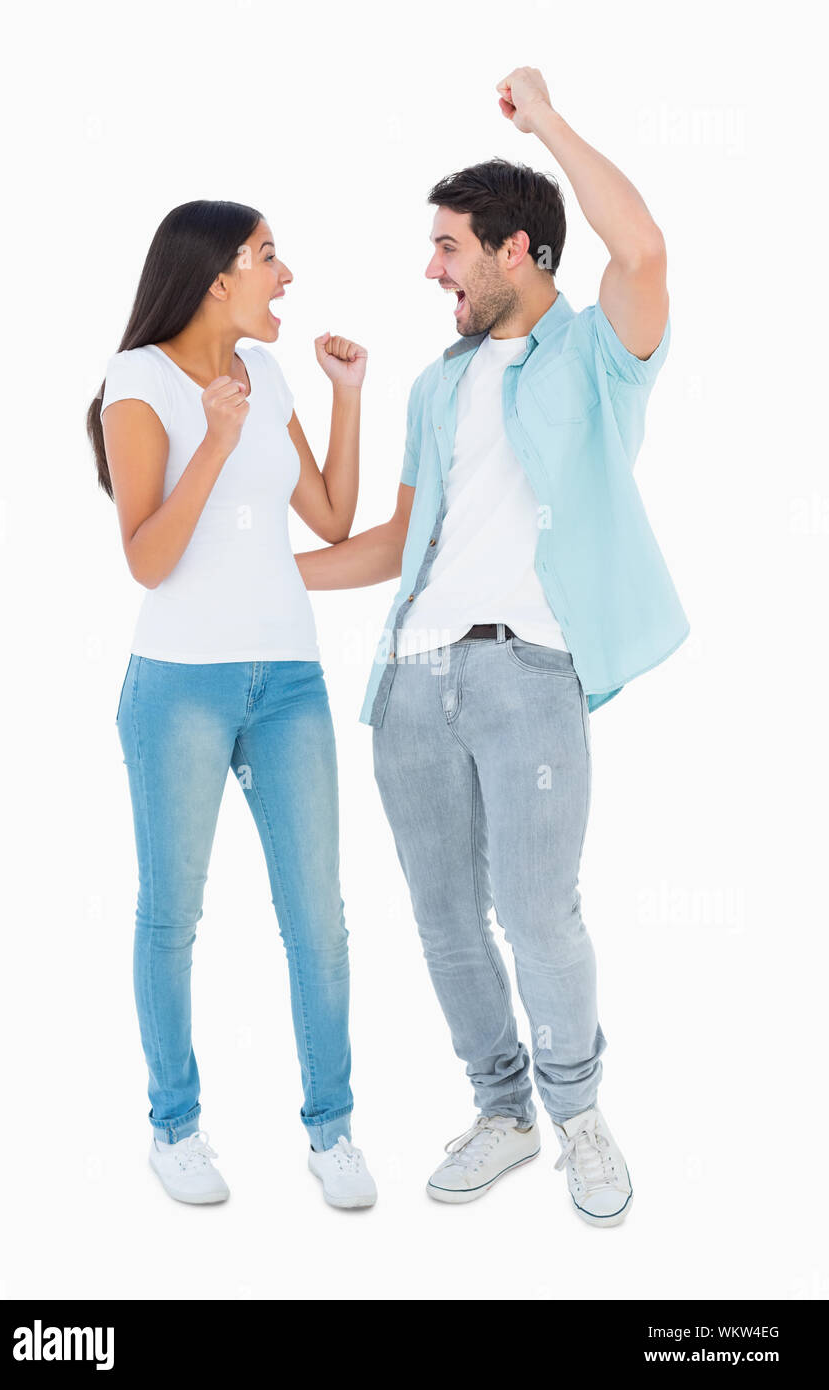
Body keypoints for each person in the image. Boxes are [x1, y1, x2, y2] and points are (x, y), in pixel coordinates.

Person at [295, 67, 688, 1226]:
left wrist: (547, 123)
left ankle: (578, 1116)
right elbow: (397, 540)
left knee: (538, 910)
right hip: (411, 681)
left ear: (517, 252)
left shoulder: (593, 360)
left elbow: (645, 248)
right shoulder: (435, 383)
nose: (431, 269)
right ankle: (503, 1109)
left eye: (448, 247)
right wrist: (264, 568)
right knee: (441, 916)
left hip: (530, 677)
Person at [86, 200, 377, 1209]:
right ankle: (175, 1126)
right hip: (181, 683)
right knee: (172, 913)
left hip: (287, 677)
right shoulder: (138, 383)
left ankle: (330, 1129)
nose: (284, 275)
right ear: (215, 277)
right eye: (266, 258)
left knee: (319, 921)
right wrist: (211, 440)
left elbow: (334, 516)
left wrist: (345, 397)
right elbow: (147, 560)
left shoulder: (270, 370)